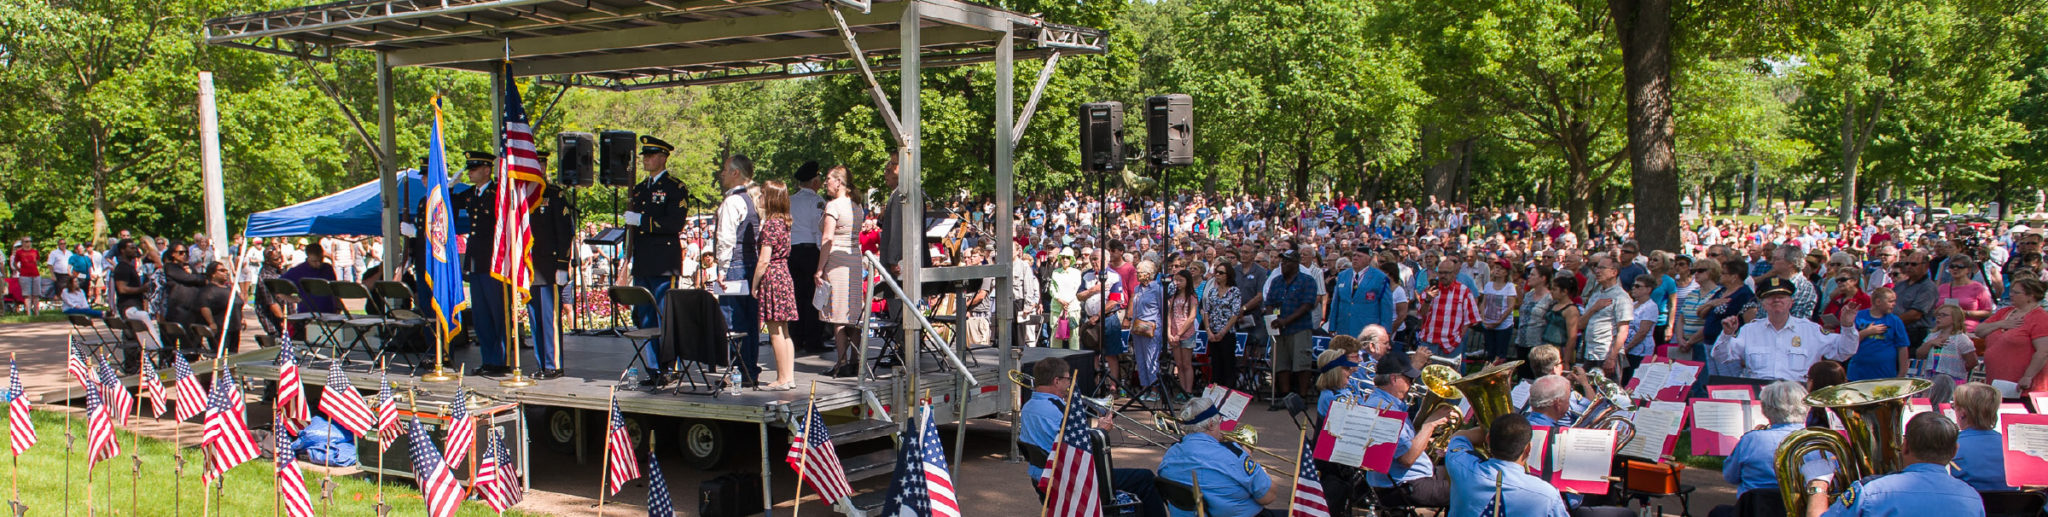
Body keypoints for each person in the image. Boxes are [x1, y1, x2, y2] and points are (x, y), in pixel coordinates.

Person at [1016, 358, 1165, 517]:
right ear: (1056, 381)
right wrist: (1101, 431)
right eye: (1067, 379)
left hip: (1042, 478)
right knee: (1146, 478)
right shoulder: (1058, 410)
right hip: (1070, 480)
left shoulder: (1028, 407)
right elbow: (1082, 451)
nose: (1069, 384)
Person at [1707, 381, 1838, 517]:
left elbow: (1730, 476)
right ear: (1806, 407)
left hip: (1754, 511)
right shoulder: (1821, 442)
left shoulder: (1751, 439)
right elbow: (1835, 484)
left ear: (1765, 409)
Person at [1814, 413, 1983, 517]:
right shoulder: (1972, 498)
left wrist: (1818, 486)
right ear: (1954, 452)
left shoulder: (1869, 491)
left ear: (1905, 446)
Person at [629, 136, 695, 386]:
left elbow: (674, 223)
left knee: (664, 315)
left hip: (664, 262)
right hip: (644, 261)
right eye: (644, 155)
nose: (645, 159)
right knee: (645, 317)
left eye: (650, 155)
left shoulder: (674, 187)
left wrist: (642, 221)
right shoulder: (639, 189)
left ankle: (670, 366)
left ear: (663, 157)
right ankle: (654, 368)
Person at [1711, 277, 1857, 383]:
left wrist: (1847, 326)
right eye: (1770, 297)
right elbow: (1721, 356)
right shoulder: (1749, 331)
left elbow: (1844, 351)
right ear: (1763, 304)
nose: (1776, 300)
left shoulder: (1811, 330)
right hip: (1760, 396)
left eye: (1781, 297)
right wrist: (1726, 335)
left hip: (1797, 397)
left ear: (1791, 303)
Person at [1155, 397, 1282, 517]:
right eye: (1219, 421)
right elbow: (1268, 497)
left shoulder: (1170, 454)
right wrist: (1259, 471)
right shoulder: (1232, 454)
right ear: (1211, 424)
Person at [1360, 356, 1453, 510]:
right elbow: (1407, 459)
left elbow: (1404, 444)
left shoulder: (1382, 402)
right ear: (1394, 379)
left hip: (1404, 480)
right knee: (1468, 488)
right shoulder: (1386, 410)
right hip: (1405, 485)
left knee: (1459, 471)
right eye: (1409, 379)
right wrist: (1430, 424)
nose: (1412, 384)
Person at [455, 150, 513, 377]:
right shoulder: (471, 194)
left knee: (498, 313)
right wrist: (449, 187)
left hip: (495, 263)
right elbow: (448, 204)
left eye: (474, 168)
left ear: (487, 170)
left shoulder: (497, 193)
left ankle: (503, 360)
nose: (470, 173)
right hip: (476, 262)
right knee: (481, 316)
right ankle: (488, 359)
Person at [1444, 413, 1569, 517]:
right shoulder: (1548, 495)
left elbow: (1459, 436)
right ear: (1528, 449)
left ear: (1488, 439)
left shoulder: (1460, 463)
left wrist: (1490, 431)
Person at [713, 153, 763, 387]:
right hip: (750, 264)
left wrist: (722, 269)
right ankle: (749, 369)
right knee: (750, 321)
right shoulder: (752, 199)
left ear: (735, 173)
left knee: (734, 322)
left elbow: (726, 238)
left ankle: (739, 371)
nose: (722, 174)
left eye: (725, 169)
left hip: (735, 265)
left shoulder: (733, 202)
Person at [525, 160, 575, 380]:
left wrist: (562, 264)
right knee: (535, 320)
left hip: (549, 268)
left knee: (549, 319)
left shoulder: (553, 195)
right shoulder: (521, 195)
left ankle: (553, 364)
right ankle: (542, 364)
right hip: (530, 268)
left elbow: (565, 232)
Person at [814, 165, 865, 378]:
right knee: (853, 313)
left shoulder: (834, 206)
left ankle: (841, 362)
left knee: (839, 315)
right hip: (855, 260)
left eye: (828, 179)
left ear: (839, 182)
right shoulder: (857, 205)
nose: (826, 183)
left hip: (837, 260)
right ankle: (855, 361)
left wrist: (819, 269)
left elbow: (827, 239)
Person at [753, 180, 798, 391]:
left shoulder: (771, 224)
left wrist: (754, 284)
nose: (760, 198)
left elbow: (764, 260)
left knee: (774, 330)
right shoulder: (784, 222)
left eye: (763, 194)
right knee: (785, 330)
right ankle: (789, 377)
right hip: (784, 274)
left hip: (773, 276)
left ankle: (781, 378)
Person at [1972, 277, 2048, 394]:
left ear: (2031, 296)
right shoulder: (2005, 312)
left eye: (2016, 292)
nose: (2011, 295)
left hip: (2022, 386)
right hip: (1996, 382)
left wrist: (2028, 376)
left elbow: (2043, 351)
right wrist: (2001, 324)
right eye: (2011, 291)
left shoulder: (2040, 317)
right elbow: (1979, 331)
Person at [1266, 249, 1321, 401]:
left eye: (1287, 261)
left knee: (1302, 363)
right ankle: (1285, 396)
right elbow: (1269, 302)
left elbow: (1307, 305)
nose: (1283, 264)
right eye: (1282, 261)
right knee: (1281, 363)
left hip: (1299, 328)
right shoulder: (1276, 281)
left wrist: (1286, 321)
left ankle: (1302, 397)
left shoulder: (1307, 280)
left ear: (1296, 263)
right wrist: (1272, 319)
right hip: (1278, 328)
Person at [787, 162, 827, 354]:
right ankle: (813, 340)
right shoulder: (817, 201)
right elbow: (819, 229)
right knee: (813, 297)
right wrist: (822, 256)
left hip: (793, 251)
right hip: (811, 251)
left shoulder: (790, 200)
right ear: (815, 182)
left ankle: (795, 338)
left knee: (796, 295)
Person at [1945, 382, 2008, 491]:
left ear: (1962, 413)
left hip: (1965, 500)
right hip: (2009, 501)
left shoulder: (1950, 445)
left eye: (1954, 406)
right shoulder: (2009, 445)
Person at [1581, 253, 1633, 377]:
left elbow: (1623, 331)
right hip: (1590, 353)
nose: (1597, 271)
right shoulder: (1596, 295)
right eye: (1596, 267)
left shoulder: (1621, 297)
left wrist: (1612, 358)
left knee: (1608, 388)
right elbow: (1580, 324)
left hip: (1606, 354)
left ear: (1614, 272)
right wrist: (1594, 308)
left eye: (1602, 268)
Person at [1843, 287, 1909, 381]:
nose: (1894, 304)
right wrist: (1867, 332)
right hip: (1858, 373)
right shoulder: (1859, 316)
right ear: (1878, 302)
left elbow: (1902, 347)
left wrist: (1902, 373)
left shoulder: (1895, 321)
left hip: (1885, 375)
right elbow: (1848, 342)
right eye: (1890, 301)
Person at [1330, 246, 1395, 338]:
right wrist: (1332, 326)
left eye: (1359, 256)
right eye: (1354, 255)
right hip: (1344, 328)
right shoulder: (1342, 275)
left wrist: (1386, 330)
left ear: (1369, 259)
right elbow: (1335, 302)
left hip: (1367, 330)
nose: (1355, 258)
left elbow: (1386, 307)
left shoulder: (1380, 278)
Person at [1202, 262, 1246, 391]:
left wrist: (1223, 332)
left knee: (1228, 365)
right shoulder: (1212, 292)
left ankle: (1228, 393)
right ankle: (1215, 392)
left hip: (1227, 333)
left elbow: (1235, 313)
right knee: (1215, 364)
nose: (1217, 275)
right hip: (1213, 332)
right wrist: (1208, 331)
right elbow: (1206, 312)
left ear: (1228, 275)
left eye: (1221, 273)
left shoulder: (1234, 292)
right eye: (1216, 272)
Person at [1913, 305, 1977, 380]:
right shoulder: (1932, 336)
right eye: (1938, 315)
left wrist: (1958, 371)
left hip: (1954, 379)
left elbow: (1972, 362)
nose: (1938, 317)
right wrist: (1930, 343)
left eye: (1943, 315)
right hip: (1931, 378)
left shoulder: (1961, 339)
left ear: (1955, 318)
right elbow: (1919, 355)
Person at [1939, 255, 1995, 331]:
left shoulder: (1977, 288)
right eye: (1952, 266)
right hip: (1943, 330)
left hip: (1967, 329)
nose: (1955, 269)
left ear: (1968, 270)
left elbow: (1988, 312)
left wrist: (1965, 313)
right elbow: (1934, 310)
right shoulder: (1942, 288)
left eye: (1960, 266)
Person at [1167, 268, 1200, 396]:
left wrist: (1179, 333)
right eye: (1176, 280)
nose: (1178, 283)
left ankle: (1188, 390)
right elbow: (1170, 315)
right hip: (1174, 333)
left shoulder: (1192, 297)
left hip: (1187, 334)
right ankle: (1181, 389)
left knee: (1186, 364)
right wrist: (1169, 333)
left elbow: (1192, 317)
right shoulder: (1173, 296)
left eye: (1181, 280)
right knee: (1179, 364)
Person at [1478, 259, 1520, 361]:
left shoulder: (1510, 287)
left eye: (1501, 269)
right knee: (1490, 352)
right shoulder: (1488, 285)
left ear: (1506, 272)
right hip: (1488, 323)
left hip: (1503, 326)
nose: (1497, 270)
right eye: (1496, 268)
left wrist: (1499, 321)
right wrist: (1483, 317)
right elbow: (1484, 303)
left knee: (1500, 354)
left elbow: (1510, 307)